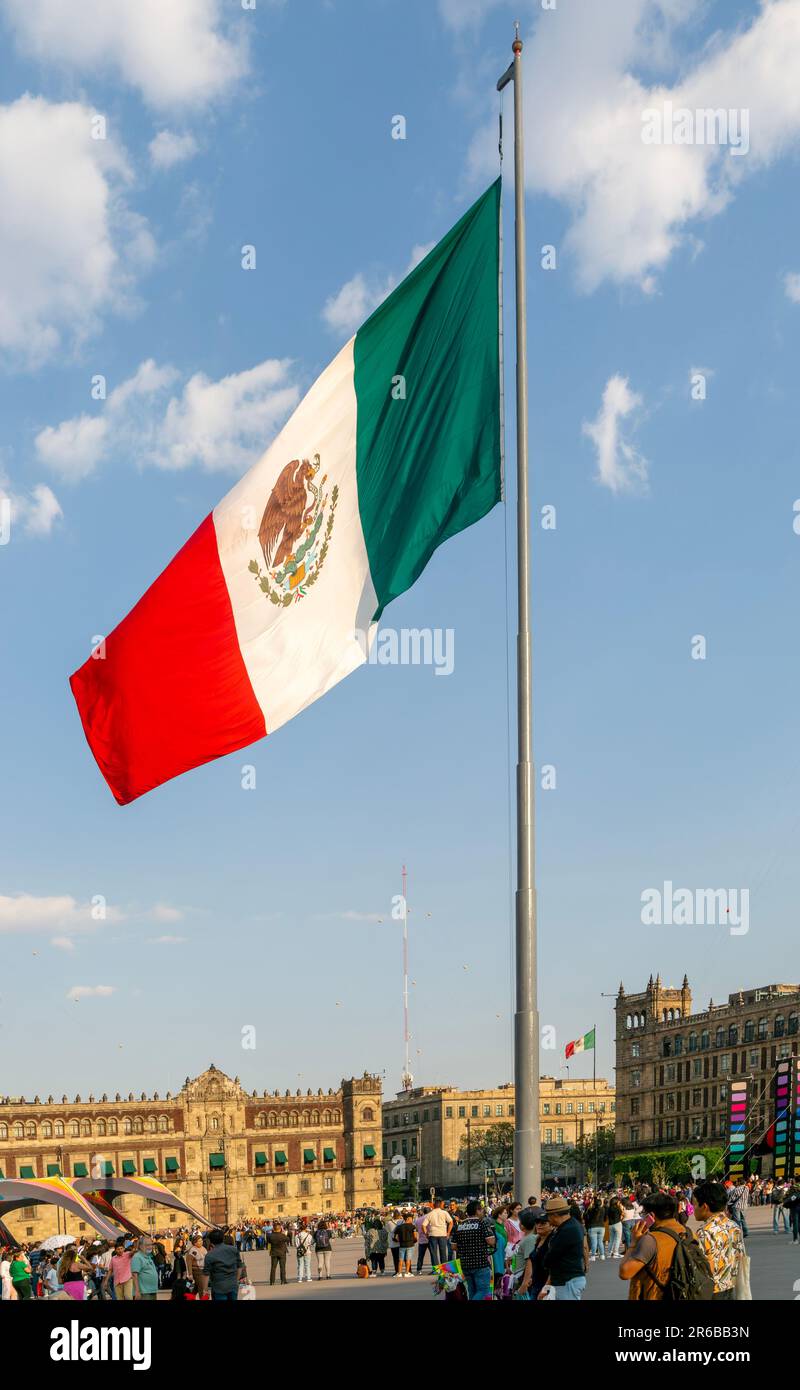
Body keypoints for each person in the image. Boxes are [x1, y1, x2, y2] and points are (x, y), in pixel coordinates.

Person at [619, 1192, 704, 1300]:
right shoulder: (688, 1233)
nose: (642, 1217)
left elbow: (624, 1272)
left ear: (652, 1216)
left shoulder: (651, 1240)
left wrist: (633, 1243)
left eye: (644, 1213)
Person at [693, 1180, 745, 1301]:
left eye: (695, 1204)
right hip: (731, 1287)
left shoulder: (705, 1232)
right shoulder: (733, 1226)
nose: (693, 1209)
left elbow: (701, 1268)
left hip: (712, 1292)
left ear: (705, 1206)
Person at [538, 1196, 587, 1301]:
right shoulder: (572, 1224)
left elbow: (551, 1257)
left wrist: (545, 1261)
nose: (548, 1220)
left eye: (548, 1216)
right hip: (568, 1279)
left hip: (567, 1280)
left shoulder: (567, 1230)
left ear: (555, 1215)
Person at [451, 1198, 495, 1301]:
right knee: (483, 1290)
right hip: (480, 1263)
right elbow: (491, 1241)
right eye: (482, 1210)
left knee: (472, 1290)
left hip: (465, 1264)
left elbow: (453, 1246)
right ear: (477, 1211)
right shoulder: (482, 1223)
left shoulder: (460, 1226)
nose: (483, 1212)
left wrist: (465, 1248)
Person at [517, 1209, 552, 1300]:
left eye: (543, 1223)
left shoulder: (551, 1242)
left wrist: (545, 1288)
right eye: (537, 1222)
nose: (539, 1225)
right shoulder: (538, 1240)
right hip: (535, 1284)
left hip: (545, 1286)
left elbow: (554, 1268)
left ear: (551, 1226)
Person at [203, 1228, 243, 1301]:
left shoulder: (209, 1255)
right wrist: (236, 1280)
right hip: (233, 1285)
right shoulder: (233, 1249)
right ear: (223, 1238)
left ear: (211, 1241)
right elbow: (239, 1266)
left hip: (219, 1287)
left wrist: (205, 1289)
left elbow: (206, 1274)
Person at [422, 1198, 452, 1268]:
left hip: (433, 1234)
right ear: (441, 1205)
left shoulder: (430, 1214)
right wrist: (448, 1233)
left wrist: (426, 1234)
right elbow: (451, 1222)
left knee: (433, 1252)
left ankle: (436, 1269)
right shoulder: (444, 1213)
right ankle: (444, 1269)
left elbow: (423, 1225)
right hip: (442, 1234)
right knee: (443, 1252)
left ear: (434, 1205)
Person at [395, 1210, 417, 1276]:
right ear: (408, 1219)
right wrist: (415, 1240)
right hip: (410, 1244)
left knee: (401, 1259)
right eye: (411, 1218)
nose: (412, 1220)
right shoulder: (412, 1226)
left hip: (402, 1245)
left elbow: (396, 1237)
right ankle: (407, 1272)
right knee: (408, 1259)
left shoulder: (399, 1227)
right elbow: (415, 1236)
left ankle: (399, 1273)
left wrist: (400, 1241)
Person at [585, 1192, 606, 1261]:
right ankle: (602, 1255)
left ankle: (593, 1256)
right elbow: (602, 1204)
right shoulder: (603, 1210)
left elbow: (586, 1213)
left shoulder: (591, 1210)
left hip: (593, 1227)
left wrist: (591, 1203)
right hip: (601, 1227)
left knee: (594, 1242)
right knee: (600, 1242)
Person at [267, 1221, 289, 1285]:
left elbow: (269, 1242)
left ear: (273, 1229)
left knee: (273, 1267)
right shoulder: (282, 1235)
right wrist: (284, 1233)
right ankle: (283, 1280)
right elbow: (288, 1239)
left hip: (274, 1252)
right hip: (282, 1252)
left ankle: (272, 1281)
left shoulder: (270, 1236)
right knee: (282, 1267)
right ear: (280, 1229)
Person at [414, 1206, 432, 1273]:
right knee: (433, 1255)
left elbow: (416, 1229)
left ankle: (419, 1269)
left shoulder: (418, 1220)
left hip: (421, 1239)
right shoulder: (430, 1218)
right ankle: (434, 1268)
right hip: (430, 1239)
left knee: (420, 1256)